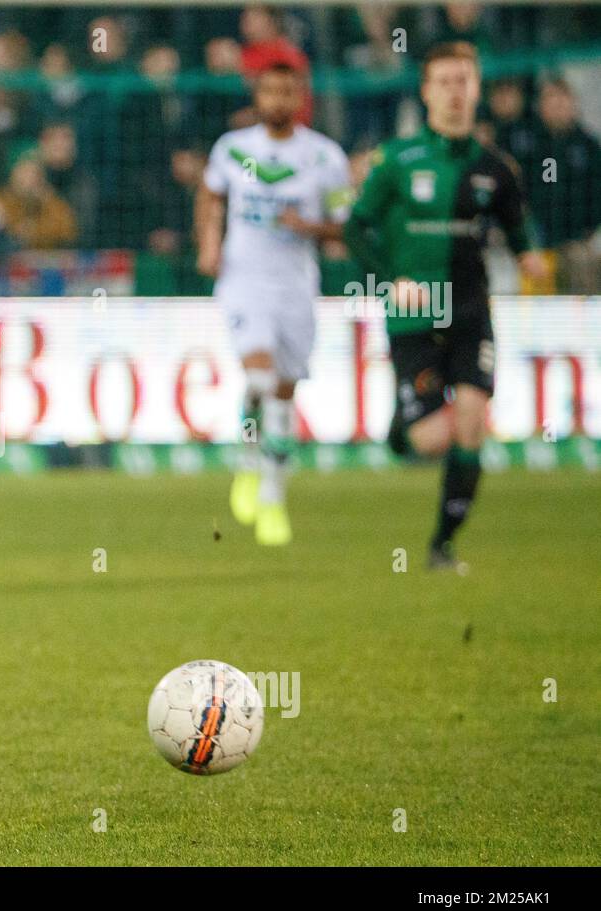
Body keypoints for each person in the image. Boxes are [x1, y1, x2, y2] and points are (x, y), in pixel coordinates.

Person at [344, 41, 547, 571]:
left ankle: (442, 545)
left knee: (473, 420)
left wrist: (530, 259)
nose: (456, 92)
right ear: (426, 90)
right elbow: (355, 226)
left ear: (477, 89)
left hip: (471, 310)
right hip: (414, 311)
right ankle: (400, 426)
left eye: (465, 81)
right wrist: (392, 277)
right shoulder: (396, 159)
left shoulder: (496, 168)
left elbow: (517, 228)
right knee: (430, 437)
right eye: (445, 82)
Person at [196, 63, 352, 545]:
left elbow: (345, 221)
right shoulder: (233, 148)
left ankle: (272, 496)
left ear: (300, 97)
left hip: (296, 287)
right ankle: (247, 461)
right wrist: (208, 242)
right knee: (259, 378)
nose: (279, 100)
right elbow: (210, 193)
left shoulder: (325, 157)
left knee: (283, 398)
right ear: (259, 96)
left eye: (288, 91)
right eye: (271, 91)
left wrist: (310, 226)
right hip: (245, 279)